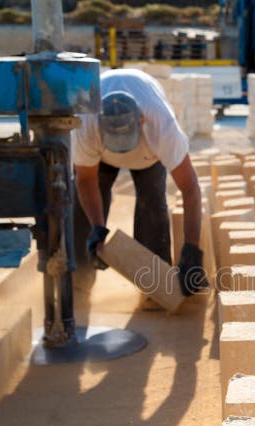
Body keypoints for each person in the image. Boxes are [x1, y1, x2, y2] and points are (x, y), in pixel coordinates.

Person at [72, 68, 206, 300]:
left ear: (141, 119)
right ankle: (78, 285)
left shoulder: (162, 126)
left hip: (148, 157)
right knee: (83, 218)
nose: (123, 151)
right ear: (100, 125)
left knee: (151, 206)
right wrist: (97, 228)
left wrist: (192, 249)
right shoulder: (86, 123)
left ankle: (155, 291)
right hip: (100, 156)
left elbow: (190, 189)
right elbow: (85, 180)